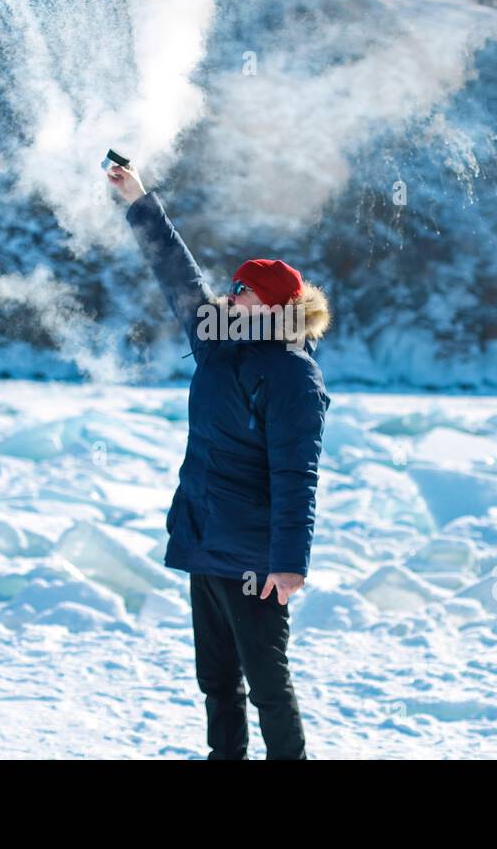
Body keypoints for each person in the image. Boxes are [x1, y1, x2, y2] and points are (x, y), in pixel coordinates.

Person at [106, 161, 331, 760]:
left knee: (268, 687)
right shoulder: (216, 343)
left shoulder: (292, 376)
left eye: (242, 291)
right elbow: (174, 272)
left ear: (274, 306)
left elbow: (296, 476)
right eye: (231, 288)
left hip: (256, 556)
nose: (229, 296)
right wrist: (137, 199)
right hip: (207, 540)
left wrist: (289, 563)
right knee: (216, 684)